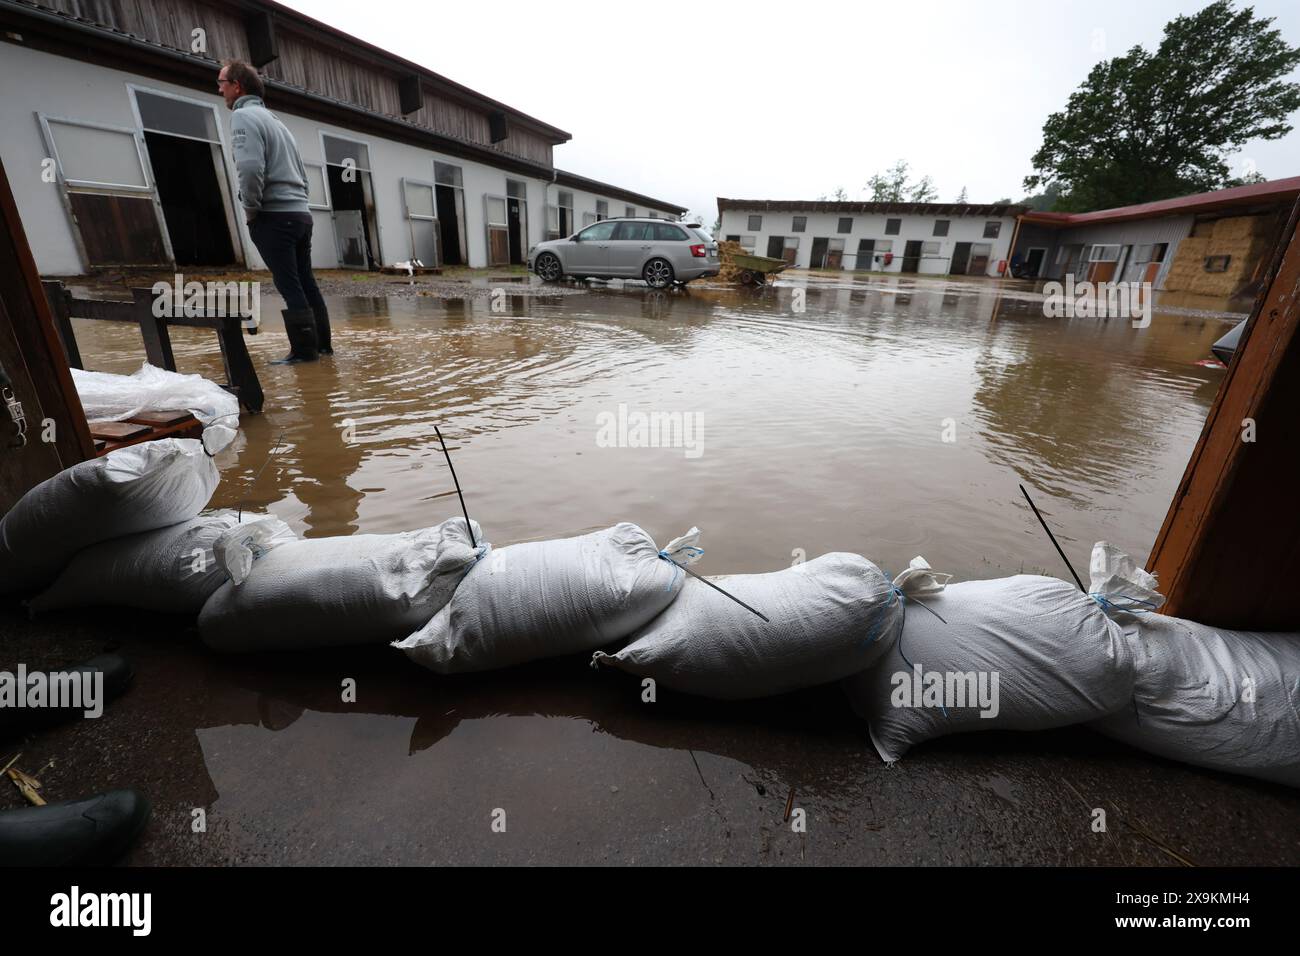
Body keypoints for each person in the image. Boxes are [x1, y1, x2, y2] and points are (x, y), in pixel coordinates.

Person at [218, 59, 332, 363]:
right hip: (299, 215)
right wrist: (300, 203)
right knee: (306, 281)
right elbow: (303, 174)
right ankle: (322, 348)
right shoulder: (278, 123)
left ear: (237, 86)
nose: (220, 90)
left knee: (289, 283)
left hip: (274, 216)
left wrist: (251, 208)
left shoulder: (243, 118)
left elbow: (250, 168)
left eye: (222, 84)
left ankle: (305, 355)